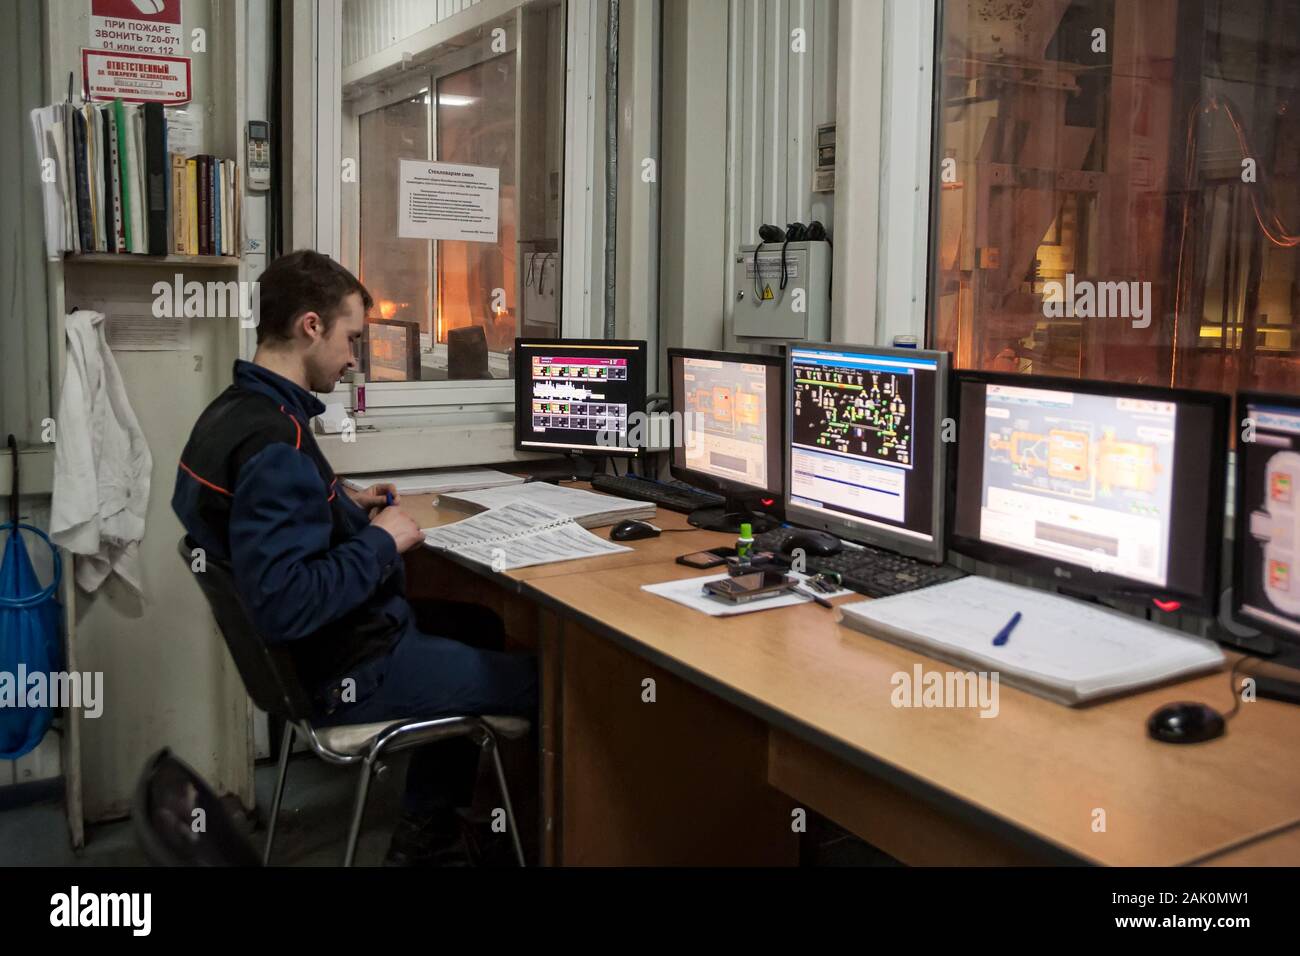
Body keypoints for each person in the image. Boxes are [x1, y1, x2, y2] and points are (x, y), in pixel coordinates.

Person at [172, 249, 536, 865]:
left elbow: (254, 524)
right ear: (310, 326)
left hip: (313, 661)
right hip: (350, 670)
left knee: (480, 625)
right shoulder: (276, 445)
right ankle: (500, 840)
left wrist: (341, 502)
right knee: (548, 683)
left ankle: (430, 828)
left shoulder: (234, 414)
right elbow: (286, 604)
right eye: (350, 338)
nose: (353, 358)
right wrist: (380, 539)